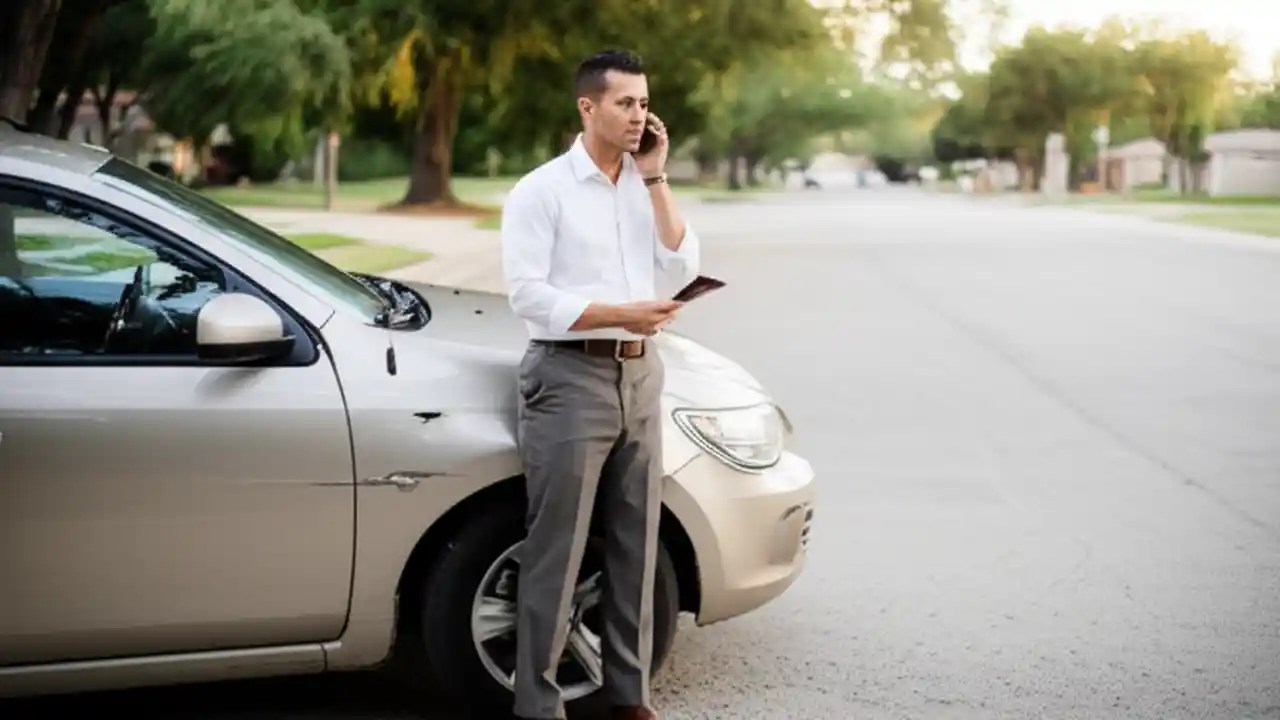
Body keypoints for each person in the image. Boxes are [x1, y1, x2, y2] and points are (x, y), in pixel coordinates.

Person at [500, 49, 700, 720]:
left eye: (644, 103)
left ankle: (627, 695)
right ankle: (536, 702)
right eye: (625, 103)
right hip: (568, 377)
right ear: (588, 107)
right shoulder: (542, 190)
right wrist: (622, 313)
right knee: (555, 548)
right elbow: (528, 296)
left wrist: (658, 178)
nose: (639, 114)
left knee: (636, 545)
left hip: (642, 376)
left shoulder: (642, 186)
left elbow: (678, 263)